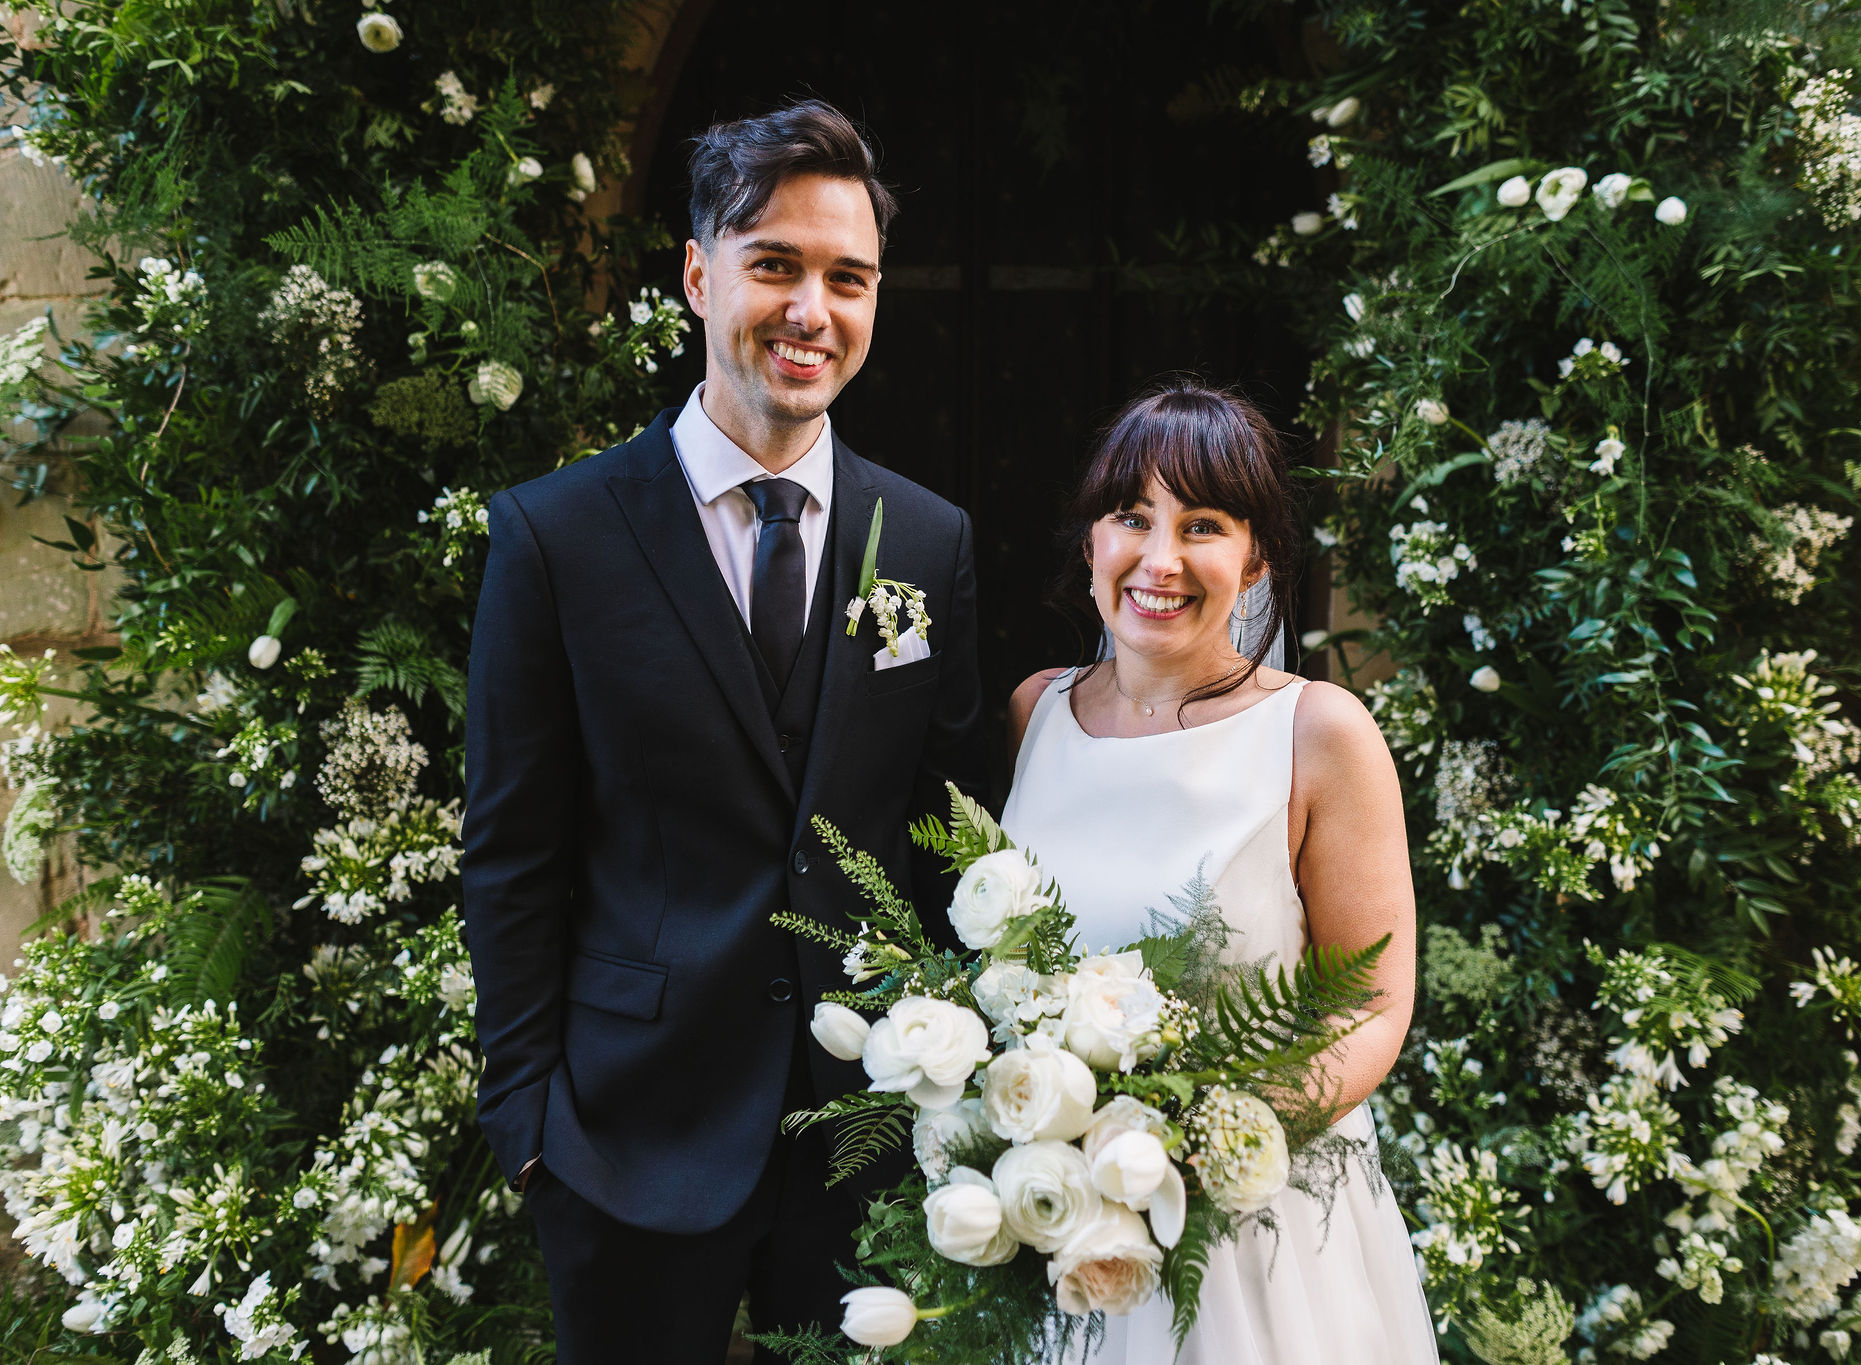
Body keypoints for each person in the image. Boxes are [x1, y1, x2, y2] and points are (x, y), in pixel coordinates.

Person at [462, 100, 986, 1363]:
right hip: (626, 1139)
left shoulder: (926, 540)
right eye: (776, 266)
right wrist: (526, 1121)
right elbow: (511, 852)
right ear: (699, 275)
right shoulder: (557, 536)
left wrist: (961, 1094)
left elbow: (951, 833)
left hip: (867, 1139)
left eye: (846, 278)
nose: (813, 309)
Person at [1002, 380, 1437, 1363]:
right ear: (1089, 546)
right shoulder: (1035, 715)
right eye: (1130, 518)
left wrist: (1204, 1145)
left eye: (1200, 524)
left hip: (1249, 1224)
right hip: (1060, 1215)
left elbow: (1370, 1001)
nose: (1159, 559)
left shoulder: (1317, 734)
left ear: (1254, 562)